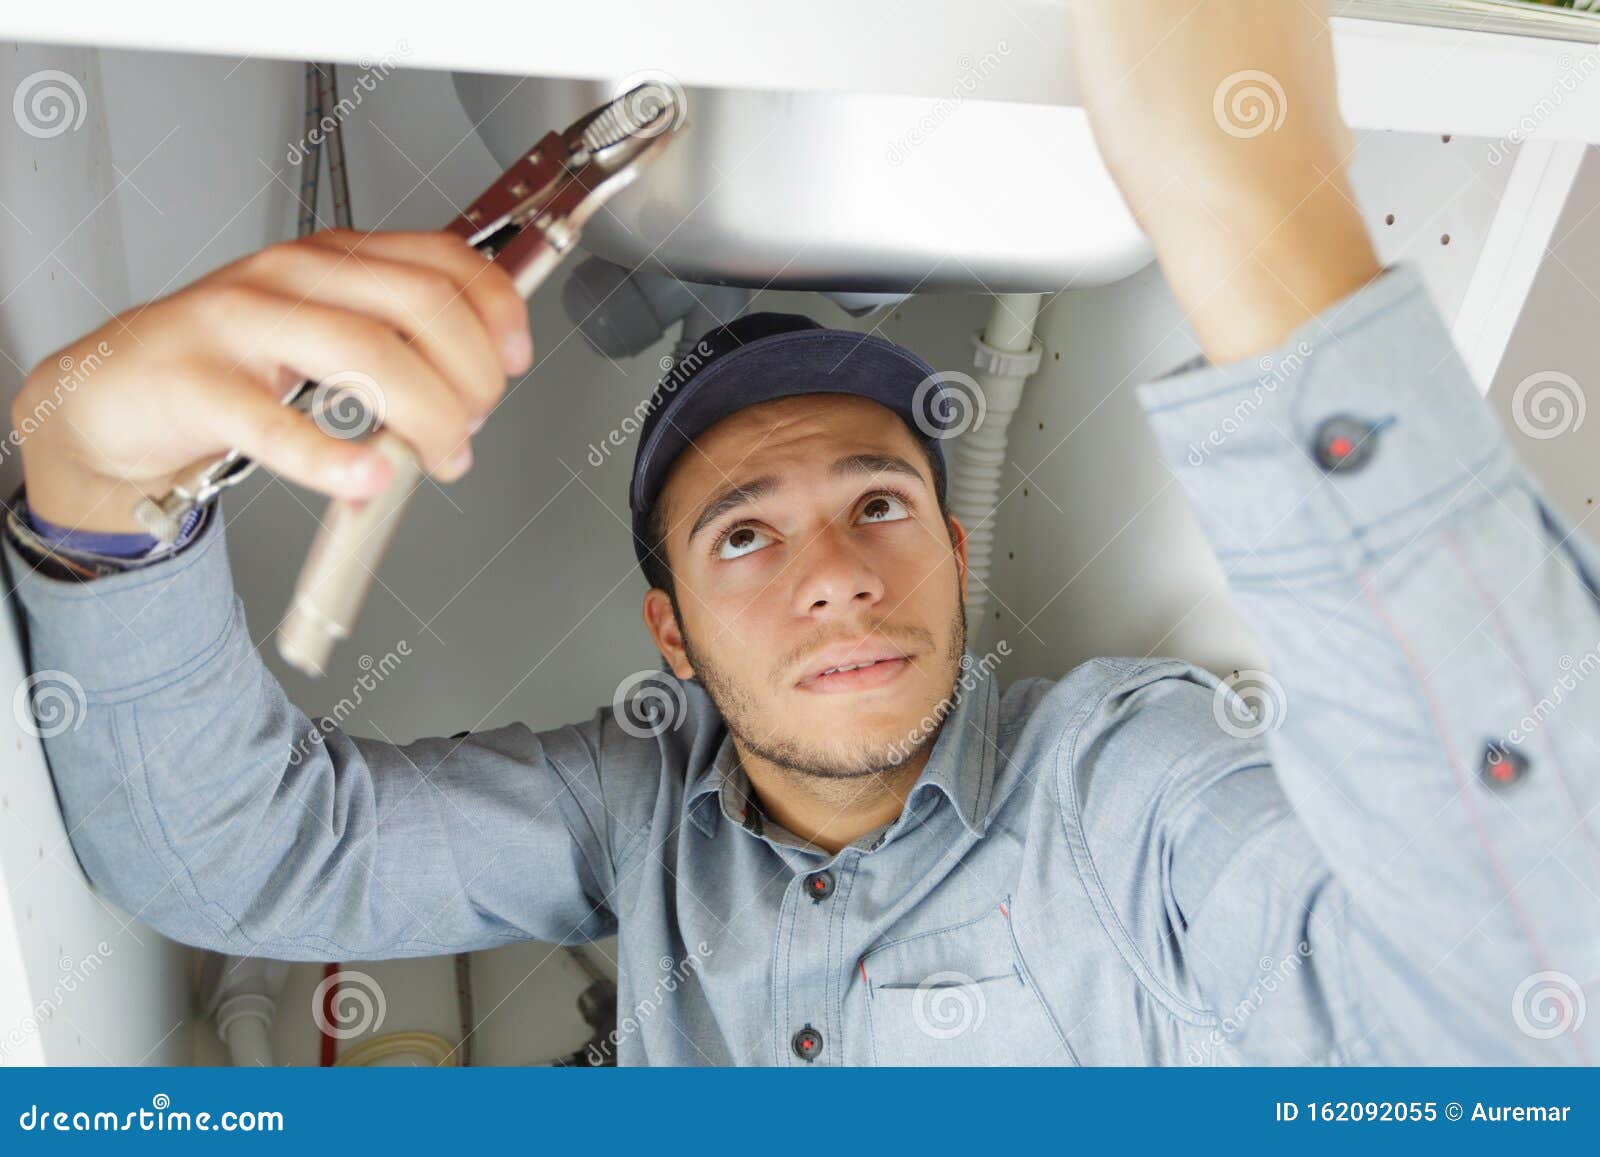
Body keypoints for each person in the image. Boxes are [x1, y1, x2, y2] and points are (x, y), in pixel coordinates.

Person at [5, 1, 1597, 1065]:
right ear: (673, 640)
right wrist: (88, 467)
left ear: (956, 554)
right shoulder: (640, 816)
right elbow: (240, 861)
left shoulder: (1118, 793)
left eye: (879, 499)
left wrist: (1246, 193)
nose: (835, 565)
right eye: (743, 538)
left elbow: (1536, 981)